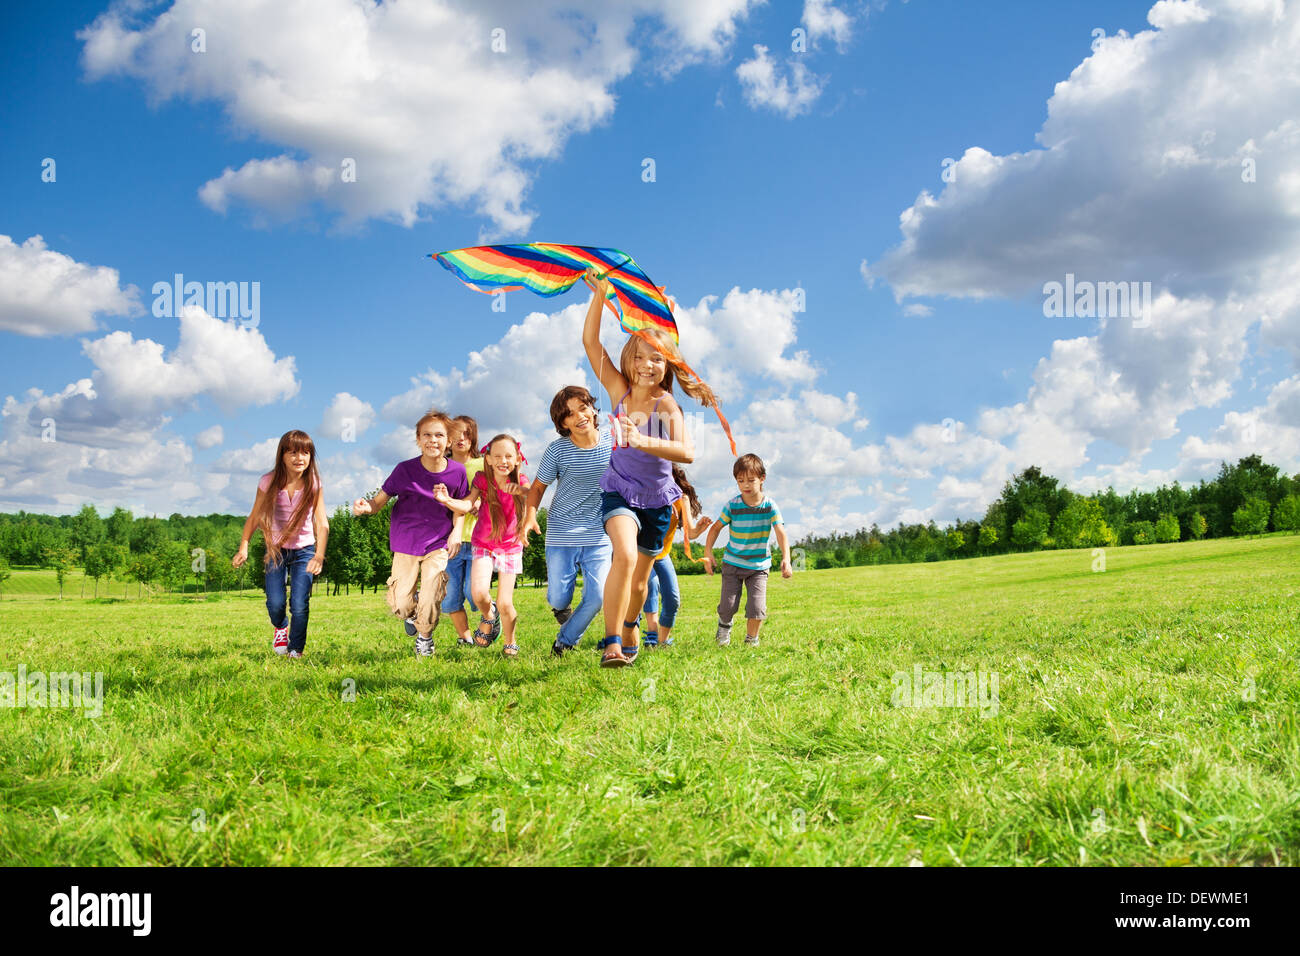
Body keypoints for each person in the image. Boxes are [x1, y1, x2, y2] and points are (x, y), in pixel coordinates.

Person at [580, 267, 718, 667]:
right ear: (628, 358)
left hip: (657, 501)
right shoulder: (618, 391)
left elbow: (687, 452)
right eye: (639, 357)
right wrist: (600, 296)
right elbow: (590, 341)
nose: (646, 365)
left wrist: (642, 439)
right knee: (622, 555)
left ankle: (629, 624)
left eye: (656, 359)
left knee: (641, 580)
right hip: (619, 490)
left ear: (667, 364)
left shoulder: (664, 404)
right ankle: (610, 644)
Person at [353, 409, 467, 658]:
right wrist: (366, 507)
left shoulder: (457, 472)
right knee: (402, 605)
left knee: (432, 592)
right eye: (426, 435)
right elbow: (379, 502)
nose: (432, 440)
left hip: (437, 543)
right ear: (418, 439)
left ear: (448, 441)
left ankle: (425, 639)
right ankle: (412, 614)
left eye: (439, 435)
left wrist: (456, 533)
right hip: (405, 543)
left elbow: (460, 508)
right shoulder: (404, 470)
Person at [518, 385, 614, 657]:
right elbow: (537, 488)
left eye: (583, 408)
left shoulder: (614, 441)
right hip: (562, 533)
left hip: (598, 533)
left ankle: (564, 642)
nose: (579, 416)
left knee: (597, 597)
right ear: (562, 423)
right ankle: (562, 609)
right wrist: (528, 518)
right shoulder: (557, 450)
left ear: (593, 408)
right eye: (569, 414)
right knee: (558, 597)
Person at [233, 429, 328, 659]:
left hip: (305, 550)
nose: (300, 458)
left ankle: (295, 650)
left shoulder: (313, 483)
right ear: (282, 455)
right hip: (276, 550)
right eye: (293, 452)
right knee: (275, 603)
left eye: (305, 453)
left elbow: (321, 522)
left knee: (299, 602)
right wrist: (244, 545)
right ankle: (280, 626)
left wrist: (319, 555)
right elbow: (255, 516)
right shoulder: (268, 482)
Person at [442, 434, 529, 657]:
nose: (503, 460)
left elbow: (532, 496)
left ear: (518, 458)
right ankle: (488, 617)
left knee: (505, 603)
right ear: (487, 459)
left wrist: (521, 492)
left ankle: (510, 641)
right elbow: (468, 503)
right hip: (483, 543)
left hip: (510, 547)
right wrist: (447, 501)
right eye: (497, 455)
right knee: (479, 593)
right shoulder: (482, 479)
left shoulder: (522, 481)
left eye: (509, 456)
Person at [700, 453, 792, 647]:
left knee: (757, 607)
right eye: (740, 481)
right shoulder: (733, 506)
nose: (746, 485)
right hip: (733, 563)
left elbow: (780, 532)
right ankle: (723, 631)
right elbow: (716, 527)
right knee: (728, 605)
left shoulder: (769, 506)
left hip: (758, 566)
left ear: (762, 479)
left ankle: (751, 641)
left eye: (751, 480)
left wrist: (787, 558)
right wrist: (708, 552)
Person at [640, 465, 711, 649]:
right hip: (642, 552)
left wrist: (700, 528)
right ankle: (651, 635)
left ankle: (663, 640)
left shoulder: (681, 499)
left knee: (673, 599)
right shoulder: (644, 493)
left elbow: (691, 533)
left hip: (663, 555)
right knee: (651, 586)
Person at [441, 415, 485, 647]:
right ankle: (466, 638)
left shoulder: (483, 464)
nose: (461, 438)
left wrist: (481, 502)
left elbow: (499, 496)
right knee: (450, 598)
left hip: (479, 538)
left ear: (473, 437)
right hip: (450, 540)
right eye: (455, 433)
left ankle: (490, 619)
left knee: (473, 592)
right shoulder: (442, 466)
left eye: (466, 433)